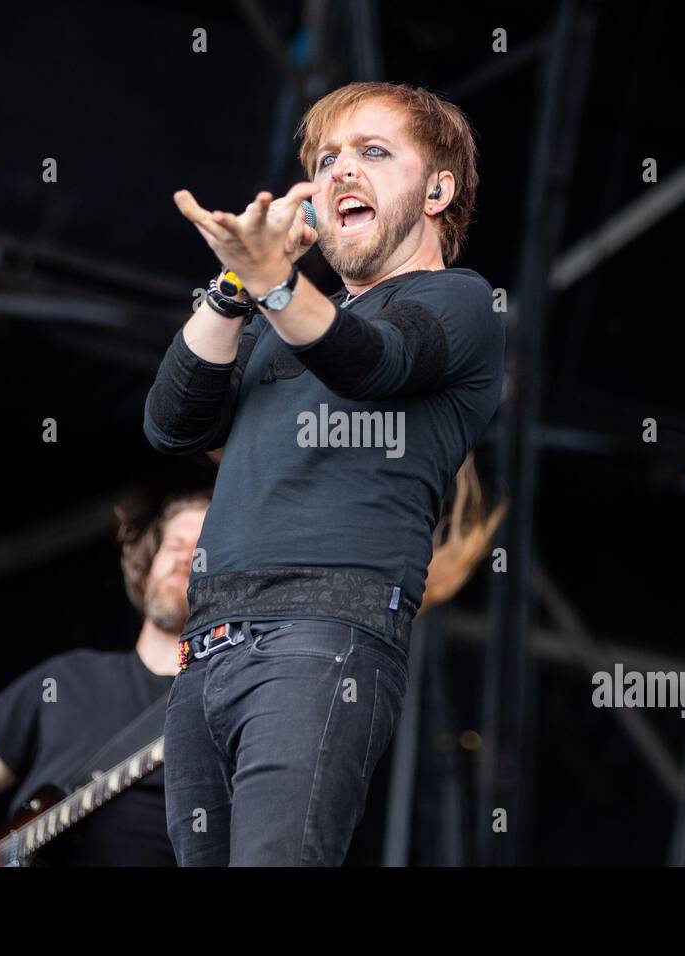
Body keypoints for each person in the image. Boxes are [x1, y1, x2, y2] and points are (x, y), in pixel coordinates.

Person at [146, 81, 505, 866]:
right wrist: (235, 283)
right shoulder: (278, 332)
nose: (342, 171)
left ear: (438, 190)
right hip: (207, 649)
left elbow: (370, 361)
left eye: (374, 153)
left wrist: (276, 281)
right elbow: (173, 423)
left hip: (320, 639)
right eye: (326, 158)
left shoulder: (460, 301)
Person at [0, 491, 210, 866]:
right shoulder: (67, 677)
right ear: (147, 565)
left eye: (202, 550)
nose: (184, 558)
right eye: (175, 544)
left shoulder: (224, 703)